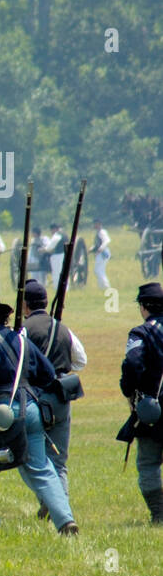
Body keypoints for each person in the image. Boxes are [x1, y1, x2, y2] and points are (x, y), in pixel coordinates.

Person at [0, 295, 78, 533]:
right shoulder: (22, 341)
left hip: (2, 413)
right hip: (32, 408)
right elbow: (47, 374)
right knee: (43, 469)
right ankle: (66, 520)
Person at [20, 278, 86, 501]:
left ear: (25, 305)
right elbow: (80, 361)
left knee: (29, 457)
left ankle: (50, 500)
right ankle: (62, 506)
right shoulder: (63, 329)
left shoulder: (23, 331)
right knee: (58, 461)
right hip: (61, 395)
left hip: (34, 398)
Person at [118, 282, 163, 524]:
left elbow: (133, 364)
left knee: (148, 463)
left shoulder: (140, 333)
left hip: (152, 408)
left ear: (143, 306)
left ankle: (159, 513)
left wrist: (128, 390)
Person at [43, 223, 65, 288]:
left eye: (51, 230)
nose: (51, 232)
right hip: (64, 255)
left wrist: (42, 250)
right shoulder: (64, 234)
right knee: (63, 272)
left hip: (57, 256)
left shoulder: (57, 236)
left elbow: (50, 247)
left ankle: (57, 287)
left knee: (56, 273)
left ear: (54, 229)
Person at [91, 219, 111, 290]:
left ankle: (106, 286)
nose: (94, 225)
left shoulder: (102, 232)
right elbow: (97, 244)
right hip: (100, 253)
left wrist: (100, 249)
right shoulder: (98, 232)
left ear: (99, 224)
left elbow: (106, 240)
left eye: (95, 224)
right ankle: (102, 287)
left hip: (103, 253)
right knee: (98, 270)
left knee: (99, 270)